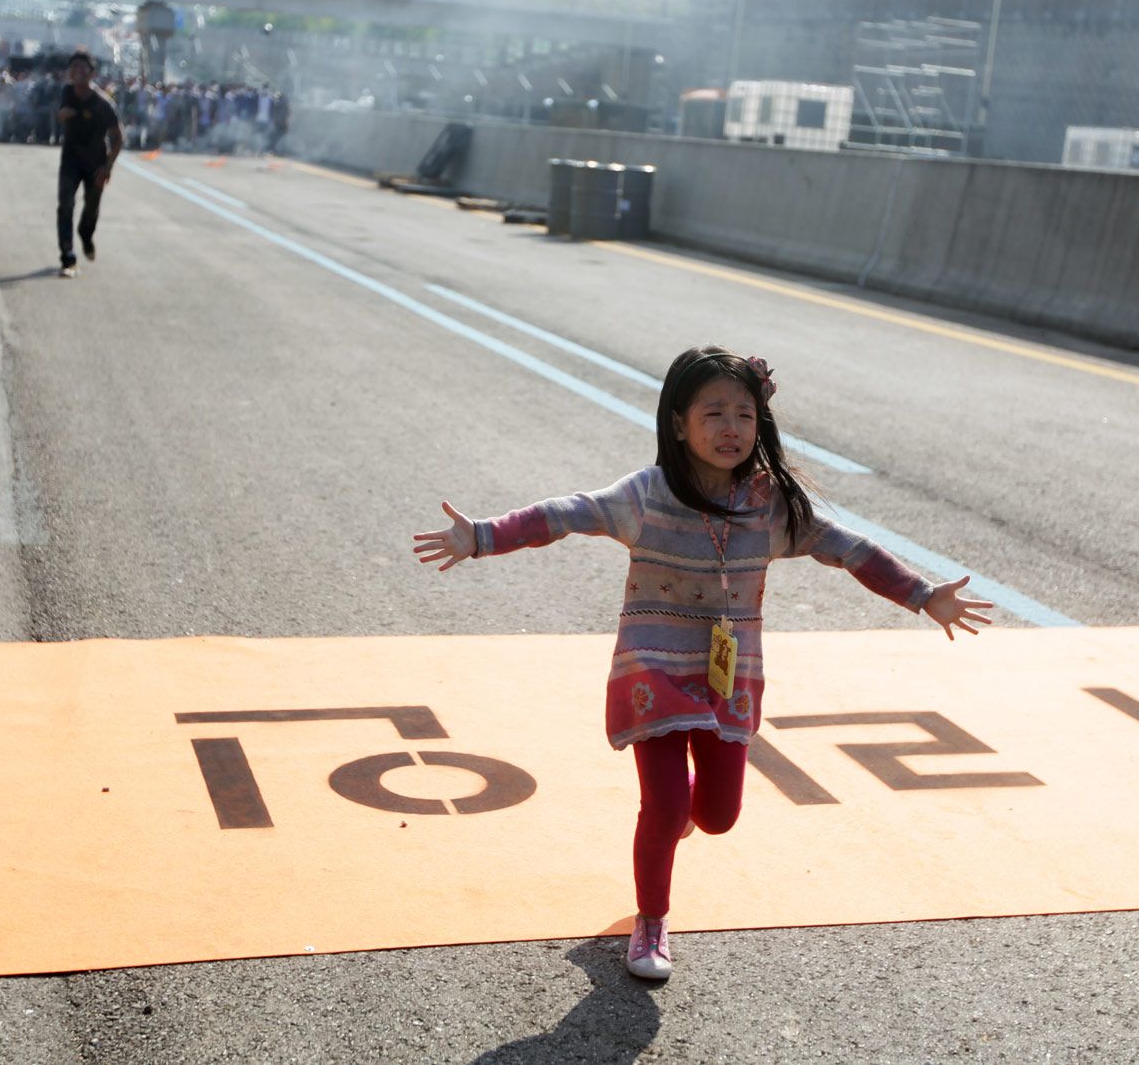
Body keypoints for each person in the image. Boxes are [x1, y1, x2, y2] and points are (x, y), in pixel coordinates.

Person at [411, 346, 993, 981]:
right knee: (662, 807)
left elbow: (848, 549)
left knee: (716, 816)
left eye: (743, 414)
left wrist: (923, 595)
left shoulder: (772, 507)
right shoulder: (646, 495)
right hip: (652, 674)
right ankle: (651, 921)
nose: (730, 429)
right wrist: (483, 536)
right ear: (679, 422)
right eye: (713, 413)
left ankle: (676, 828)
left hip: (729, 680)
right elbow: (565, 514)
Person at [54, 51, 122, 277]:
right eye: (73, 67)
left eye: (82, 68)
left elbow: (117, 137)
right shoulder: (67, 92)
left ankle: (85, 235)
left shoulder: (103, 104)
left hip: (96, 164)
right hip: (70, 160)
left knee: (90, 211)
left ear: (92, 73)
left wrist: (108, 167)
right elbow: (61, 113)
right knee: (65, 205)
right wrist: (63, 114)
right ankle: (68, 256)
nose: (76, 72)